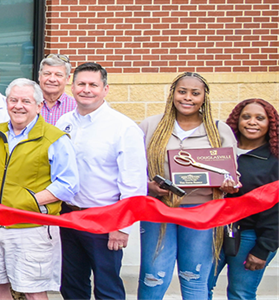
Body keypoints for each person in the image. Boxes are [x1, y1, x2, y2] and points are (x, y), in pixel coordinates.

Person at [137, 72, 236, 300]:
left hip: (201, 212)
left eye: (195, 93)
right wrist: (148, 186)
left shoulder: (219, 130)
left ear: (204, 98)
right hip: (158, 210)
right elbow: (133, 168)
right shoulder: (151, 125)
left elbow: (231, 170)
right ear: (173, 94)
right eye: (182, 92)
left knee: (193, 277)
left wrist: (230, 183)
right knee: (153, 277)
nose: (187, 98)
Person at [53, 63, 148, 300]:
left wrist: (122, 227)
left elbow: (134, 183)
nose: (86, 89)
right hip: (69, 216)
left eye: (93, 85)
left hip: (105, 219)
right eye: (81, 84)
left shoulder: (123, 128)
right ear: (72, 87)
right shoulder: (64, 122)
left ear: (105, 89)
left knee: (107, 288)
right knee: (72, 285)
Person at [0, 78, 79, 300]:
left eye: (26, 101)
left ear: (38, 105)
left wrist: (31, 201)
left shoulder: (55, 138)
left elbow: (68, 184)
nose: (18, 105)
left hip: (31, 227)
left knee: (33, 291)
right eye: (13, 100)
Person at [212, 98, 279, 300]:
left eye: (260, 118)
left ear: (271, 124)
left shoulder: (274, 160)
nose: (252, 122)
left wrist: (263, 249)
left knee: (240, 294)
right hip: (213, 233)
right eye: (246, 117)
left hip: (250, 237)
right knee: (198, 287)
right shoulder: (219, 152)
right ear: (236, 121)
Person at [39, 54, 76, 125]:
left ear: (67, 79)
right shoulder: (27, 105)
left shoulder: (76, 108)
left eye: (58, 75)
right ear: (39, 76)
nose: (52, 79)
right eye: (47, 74)